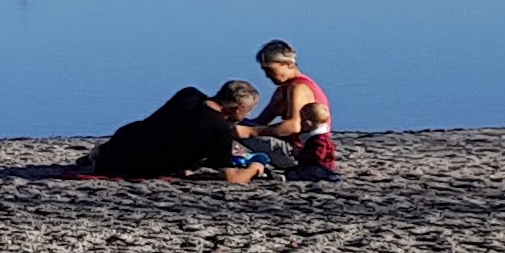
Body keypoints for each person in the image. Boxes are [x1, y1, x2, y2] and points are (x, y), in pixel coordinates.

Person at [87, 80, 261, 181]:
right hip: (139, 166)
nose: (249, 114)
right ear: (238, 108)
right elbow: (232, 178)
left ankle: (97, 155)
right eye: (249, 110)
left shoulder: (188, 95)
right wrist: (255, 167)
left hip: (121, 143)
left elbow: (180, 128)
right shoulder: (219, 129)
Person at [243, 40, 340, 180]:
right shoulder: (283, 89)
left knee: (234, 134)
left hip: (302, 151)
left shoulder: (299, 88)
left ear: (288, 64)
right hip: (293, 145)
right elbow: (262, 120)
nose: (267, 75)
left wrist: (251, 131)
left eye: (270, 70)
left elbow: (293, 126)